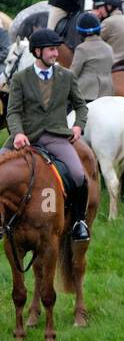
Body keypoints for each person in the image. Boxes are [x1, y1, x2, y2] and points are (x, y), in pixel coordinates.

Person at [3, 28, 91, 241]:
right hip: (26, 137)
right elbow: (13, 111)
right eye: (52, 50)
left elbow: (81, 106)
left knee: (79, 175)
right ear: (38, 52)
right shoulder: (20, 79)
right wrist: (17, 133)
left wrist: (78, 126)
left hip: (56, 137)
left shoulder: (67, 76)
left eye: (56, 50)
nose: (56, 54)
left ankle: (79, 221)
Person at [69, 12, 114, 101]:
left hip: (86, 94)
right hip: (107, 93)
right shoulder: (109, 48)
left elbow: (73, 74)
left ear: (80, 32)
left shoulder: (81, 49)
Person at [91, 0, 124, 70]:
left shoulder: (108, 23)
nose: (98, 10)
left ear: (109, 6)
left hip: (112, 66)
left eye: (100, 6)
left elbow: (91, 42)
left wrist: (92, 21)